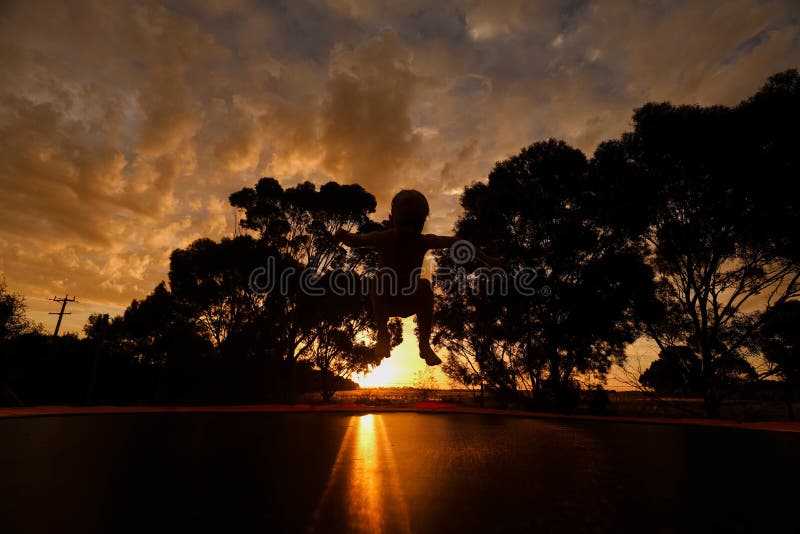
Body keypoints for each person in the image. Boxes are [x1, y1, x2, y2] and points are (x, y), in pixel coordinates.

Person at [334, 189, 500, 366]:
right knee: (380, 277)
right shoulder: (383, 238)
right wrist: (344, 236)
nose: (411, 229)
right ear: (392, 220)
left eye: (417, 224)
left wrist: (487, 259)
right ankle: (383, 335)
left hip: (409, 301)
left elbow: (457, 242)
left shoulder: (423, 241)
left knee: (425, 285)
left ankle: (424, 344)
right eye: (405, 223)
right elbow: (357, 241)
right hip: (387, 302)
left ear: (423, 223)